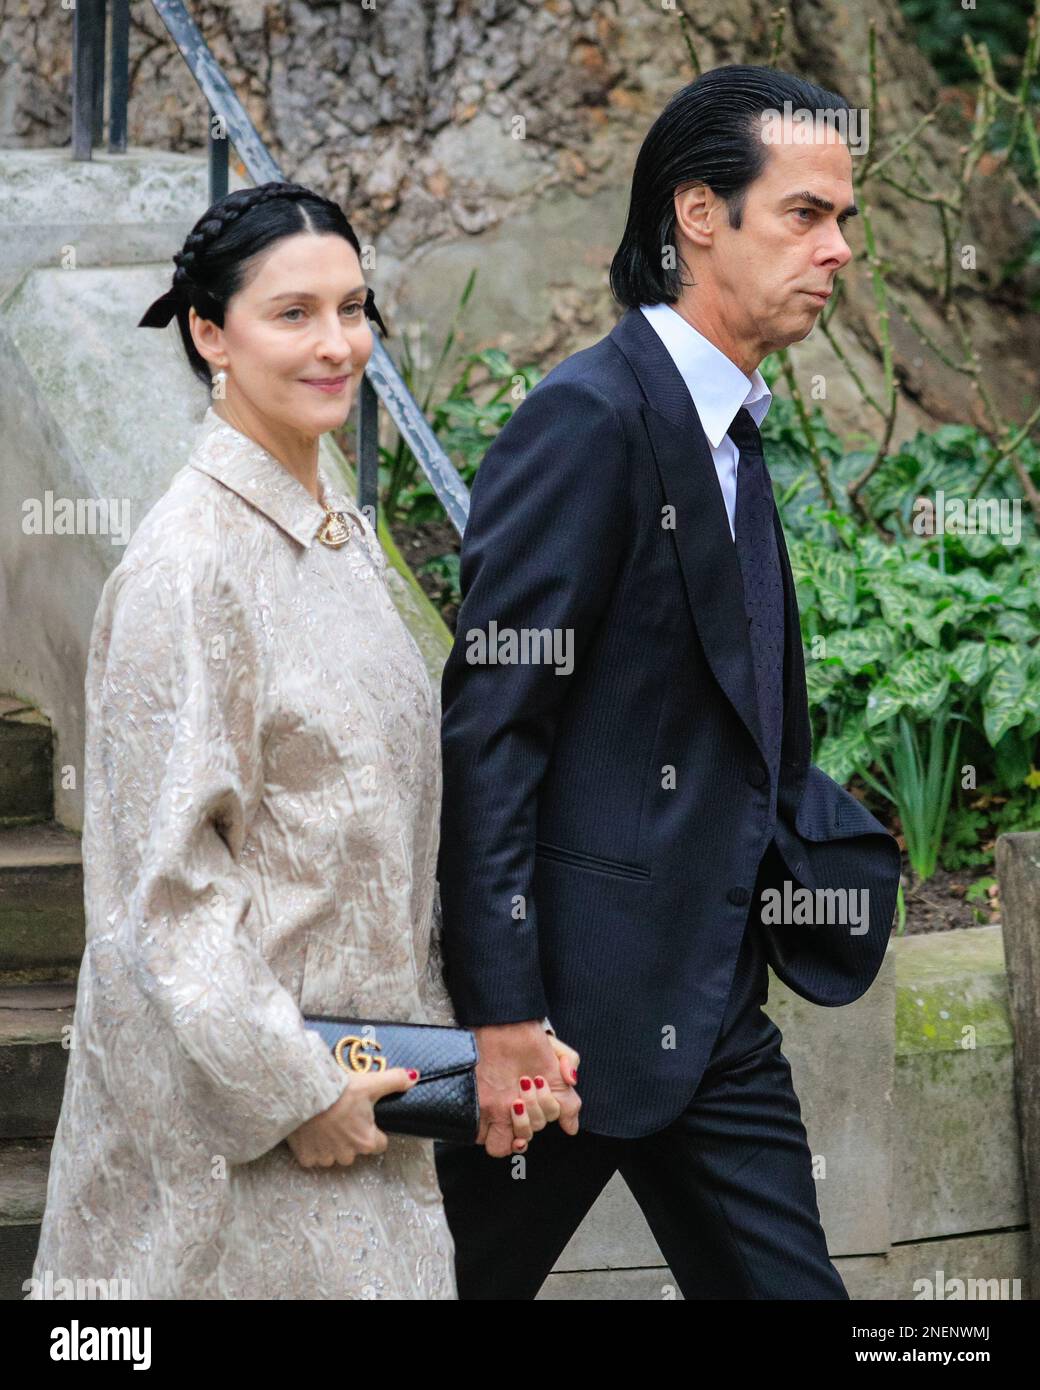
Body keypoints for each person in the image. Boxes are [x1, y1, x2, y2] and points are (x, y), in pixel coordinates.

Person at [28, 182, 576, 1301]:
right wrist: (293, 1088)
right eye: (293, 314)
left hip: (369, 1105)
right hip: (247, 1152)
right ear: (208, 331)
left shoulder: (334, 527)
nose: (337, 345)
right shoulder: (190, 567)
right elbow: (161, 898)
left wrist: (483, 1042)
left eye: (353, 307)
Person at [434, 67, 902, 1299]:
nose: (837, 248)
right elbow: (493, 726)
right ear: (698, 215)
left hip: (709, 1016)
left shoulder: (730, 432)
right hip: (563, 1030)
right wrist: (502, 1017)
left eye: (840, 219)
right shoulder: (587, 420)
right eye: (805, 214)